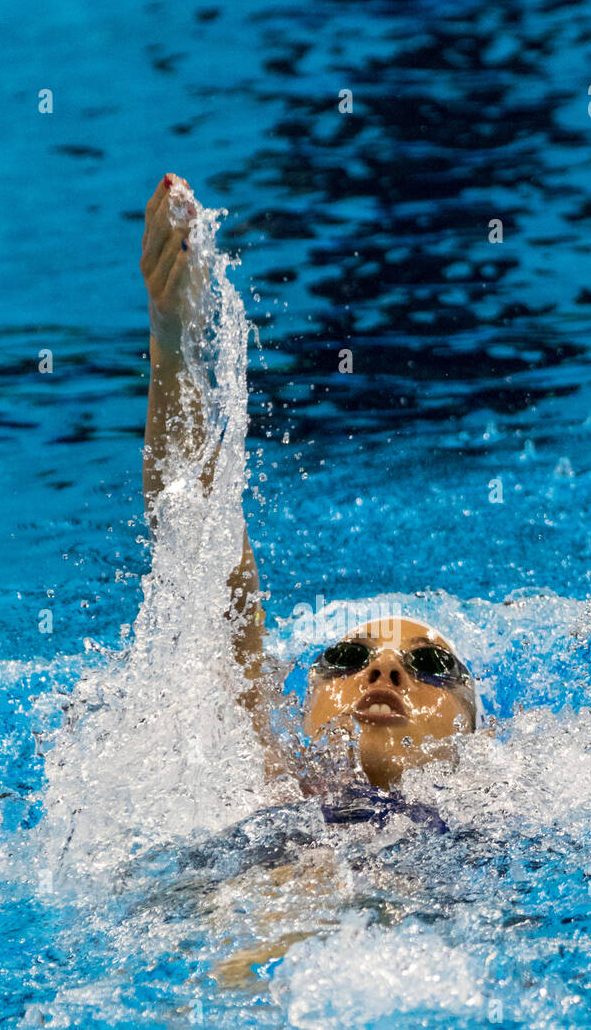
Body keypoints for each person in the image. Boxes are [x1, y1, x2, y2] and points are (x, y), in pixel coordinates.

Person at [140, 173, 480, 795]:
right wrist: (172, 342)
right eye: (346, 661)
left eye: (430, 666)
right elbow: (204, 557)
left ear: (479, 731)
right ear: (302, 710)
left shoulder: (535, 824)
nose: (382, 670)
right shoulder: (259, 788)